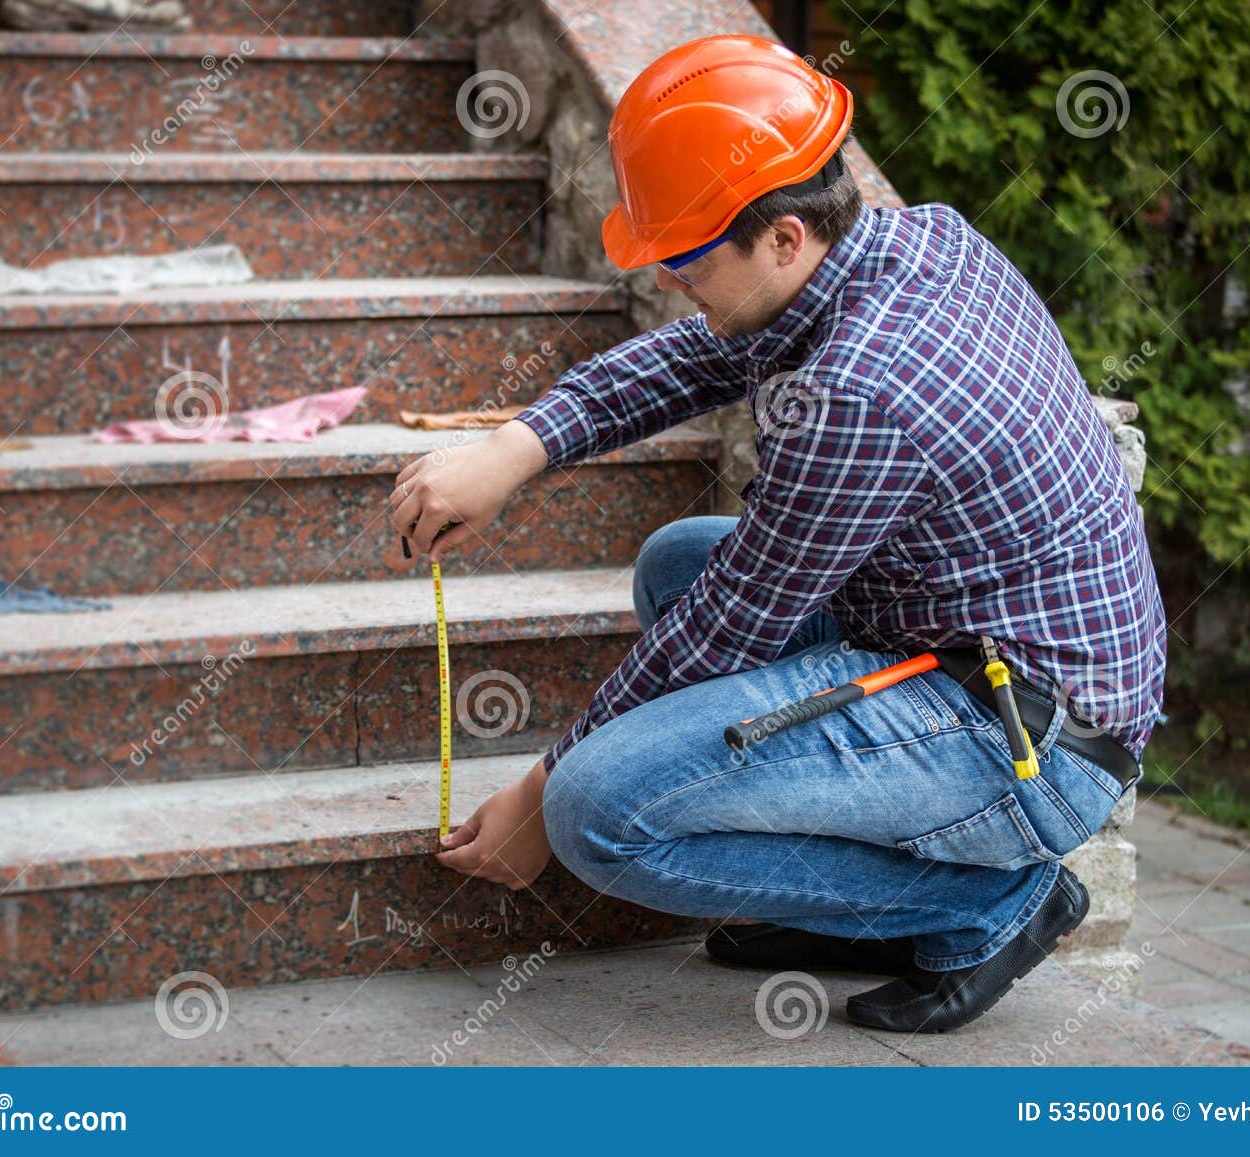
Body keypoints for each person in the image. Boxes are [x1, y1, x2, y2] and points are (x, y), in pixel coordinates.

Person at [387, 34, 1166, 1034]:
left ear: (786, 236)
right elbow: (689, 361)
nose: (669, 277)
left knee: (596, 810)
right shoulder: (913, 239)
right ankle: (852, 909)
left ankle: (989, 903)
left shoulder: (863, 389)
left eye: (682, 255)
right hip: (963, 645)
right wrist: (517, 445)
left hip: (1027, 740)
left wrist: (537, 796)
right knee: (677, 560)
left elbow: (728, 627)